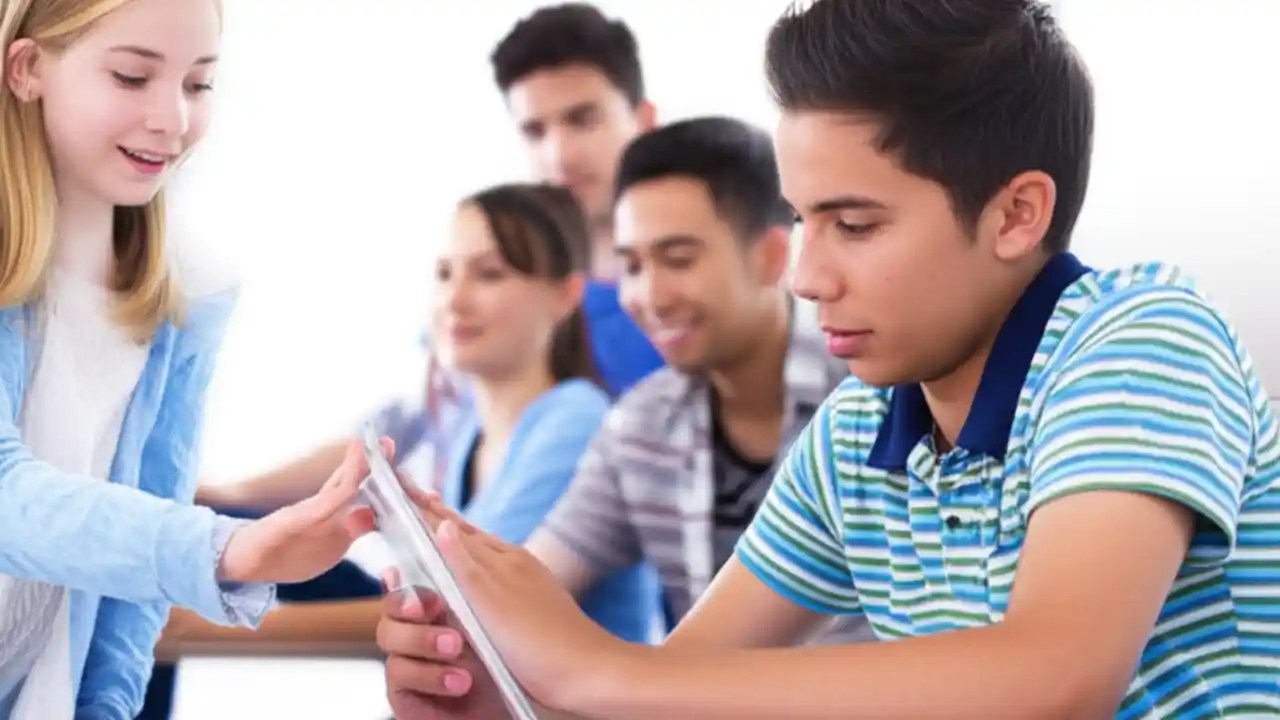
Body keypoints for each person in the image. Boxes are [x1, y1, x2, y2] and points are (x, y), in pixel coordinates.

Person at [371, 1, 1280, 718]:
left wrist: (596, 671)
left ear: (1016, 215)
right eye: (802, 219)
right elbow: (673, 693)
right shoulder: (856, 435)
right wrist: (508, 696)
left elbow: (1053, 681)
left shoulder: (1143, 337)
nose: (804, 276)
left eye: (854, 225)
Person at [0, 0, 390, 717]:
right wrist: (226, 551)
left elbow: (128, 607)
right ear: (26, 70)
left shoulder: (191, 293)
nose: (173, 120)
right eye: (130, 77)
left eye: (197, 84)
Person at [157, 183, 660, 656]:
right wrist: (225, 500)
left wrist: (190, 632)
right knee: (193, 548)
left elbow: (462, 619)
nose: (455, 301)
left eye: (489, 274)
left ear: (565, 296)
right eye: (445, 274)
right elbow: (357, 461)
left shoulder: (574, 421)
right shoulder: (468, 435)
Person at [519, 116, 869, 641]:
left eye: (679, 260)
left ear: (771, 256)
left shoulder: (874, 392)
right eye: (632, 266)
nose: (651, 297)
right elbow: (538, 580)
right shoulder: (640, 427)